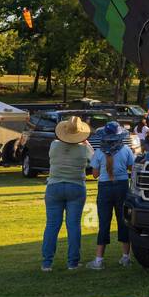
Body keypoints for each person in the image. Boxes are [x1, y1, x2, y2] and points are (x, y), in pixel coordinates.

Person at [42, 116, 93, 271]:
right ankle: (73, 262)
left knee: (52, 225)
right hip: (76, 186)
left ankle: (46, 263)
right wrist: (86, 143)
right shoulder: (84, 149)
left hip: (54, 186)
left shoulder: (54, 145)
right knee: (73, 226)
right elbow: (95, 159)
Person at [88, 122, 135, 270]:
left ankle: (99, 259)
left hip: (104, 188)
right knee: (123, 222)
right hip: (122, 187)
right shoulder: (126, 150)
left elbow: (95, 175)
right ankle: (126, 257)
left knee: (104, 223)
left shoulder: (98, 152)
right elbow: (132, 168)